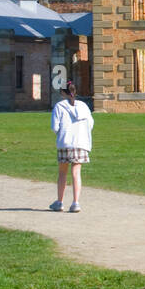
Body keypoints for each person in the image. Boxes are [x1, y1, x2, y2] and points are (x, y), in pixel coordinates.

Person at [50, 83, 94, 213]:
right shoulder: (84, 106)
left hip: (65, 142)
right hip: (81, 142)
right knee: (76, 173)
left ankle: (59, 202)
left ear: (63, 93)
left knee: (62, 173)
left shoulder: (59, 106)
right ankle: (75, 202)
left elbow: (54, 127)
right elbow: (90, 124)